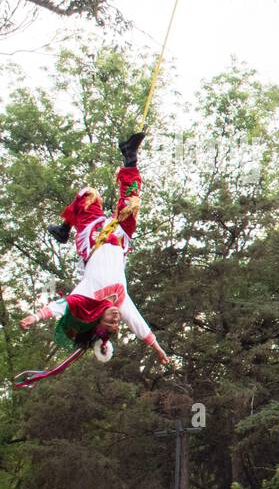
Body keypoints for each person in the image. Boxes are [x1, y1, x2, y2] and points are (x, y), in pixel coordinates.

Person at [18, 132, 170, 386]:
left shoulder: (88, 296)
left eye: (110, 322)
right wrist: (157, 349)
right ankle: (130, 155)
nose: (116, 319)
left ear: (97, 319)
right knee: (131, 202)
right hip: (118, 238)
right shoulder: (120, 302)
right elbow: (139, 325)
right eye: (117, 323)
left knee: (87, 193)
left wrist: (35, 317)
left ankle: (65, 229)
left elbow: (62, 305)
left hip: (93, 239)